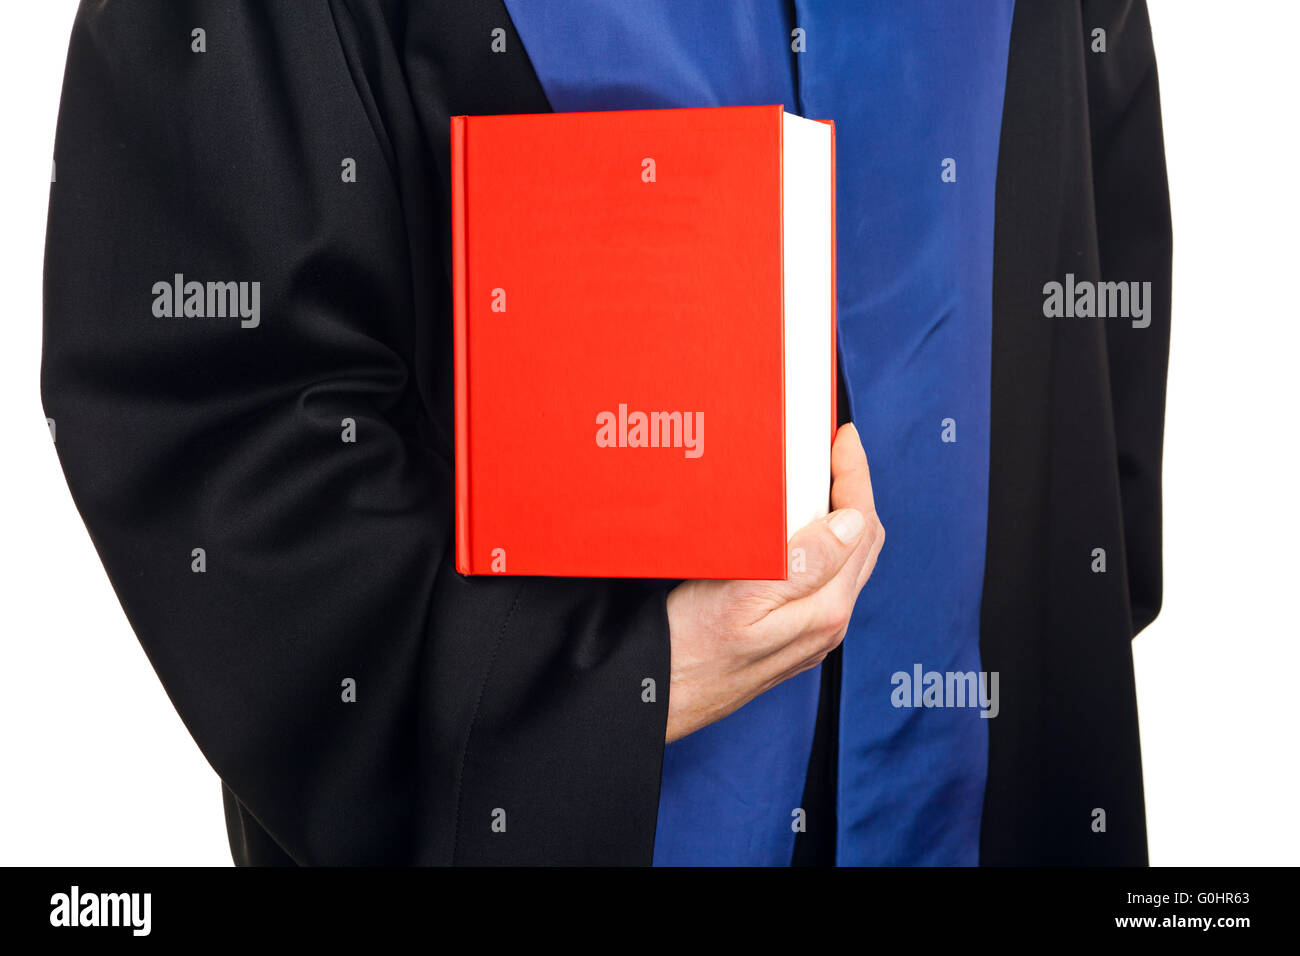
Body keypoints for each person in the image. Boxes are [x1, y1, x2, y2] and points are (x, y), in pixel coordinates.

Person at [43, 0, 1168, 866]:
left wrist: (1062, 619)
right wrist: (587, 700)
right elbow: (217, 388)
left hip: (987, 776)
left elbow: (1095, 233)